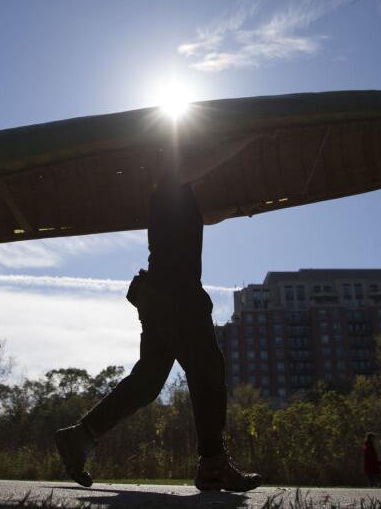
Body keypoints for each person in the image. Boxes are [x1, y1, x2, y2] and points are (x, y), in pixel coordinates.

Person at [54, 138, 262, 492]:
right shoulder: (169, 177)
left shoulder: (173, 191)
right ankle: (213, 463)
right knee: (207, 369)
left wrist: (238, 208)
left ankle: (80, 436)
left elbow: (206, 217)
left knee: (149, 381)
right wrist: (246, 138)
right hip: (175, 292)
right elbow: (192, 166)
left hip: (159, 293)